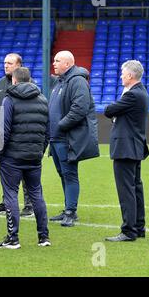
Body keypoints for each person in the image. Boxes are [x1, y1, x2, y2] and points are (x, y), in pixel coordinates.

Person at [0, 67, 51, 249]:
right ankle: (44, 237)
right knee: (37, 194)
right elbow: (47, 131)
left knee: (11, 194)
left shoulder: (9, 99)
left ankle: (13, 238)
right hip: (34, 157)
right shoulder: (43, 99)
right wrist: (39, 152)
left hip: (12, 157)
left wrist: (0, 152)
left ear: (14, 81)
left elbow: (4, 129)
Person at [48, 50, 99, 227]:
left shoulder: (77, 81)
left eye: (57, 61)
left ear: (68, 64)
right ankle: (67, 208)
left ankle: (71, 211)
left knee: (70, 174)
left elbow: (80, 108)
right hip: (55, 138)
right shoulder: (59, 82)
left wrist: (61, 125)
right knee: (63, 174)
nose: (54, 63)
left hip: (66, 138)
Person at [104, 60, 149, 242]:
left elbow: (109, 110)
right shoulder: (141, 92)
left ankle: (129, 230)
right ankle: (138, 226)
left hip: (126, 147)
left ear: (130, 76)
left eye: (123, 74)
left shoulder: (132, 95)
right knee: (136, 187)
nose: (121, 76)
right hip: (135, 146)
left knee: (126, 190)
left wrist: (116, 109)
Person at [0, 53, 34, 217]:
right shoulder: (0, 83)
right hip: (3, 135)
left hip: (22, 136)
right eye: (4, 63)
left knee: (25, 171)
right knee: (5, 169)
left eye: (9, 63)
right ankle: (6, 200)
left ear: (19, 65)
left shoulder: (30, 84)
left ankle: (29, 205)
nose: (5, 65)